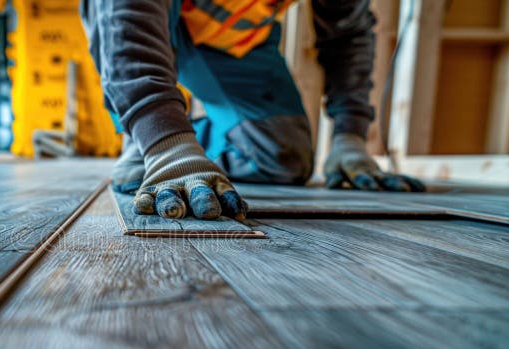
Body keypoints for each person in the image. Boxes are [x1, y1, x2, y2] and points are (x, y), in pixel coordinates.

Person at [80, 0, 425, 223]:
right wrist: (166, 148)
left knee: (283, 158)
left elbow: (348, 33)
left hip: (228, 39)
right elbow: (127, 17)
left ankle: (185, 137)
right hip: (137, 18)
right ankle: (144, 139)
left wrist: (350, 136)